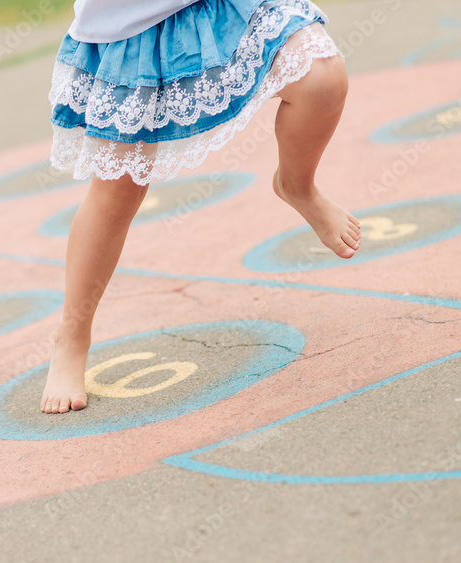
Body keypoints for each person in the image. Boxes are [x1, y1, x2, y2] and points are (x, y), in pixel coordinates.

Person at [40, 0, 360, 413]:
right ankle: (72, 334)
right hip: (129, 26)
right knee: (119, 190)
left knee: (322, 77)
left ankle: (298, 186)